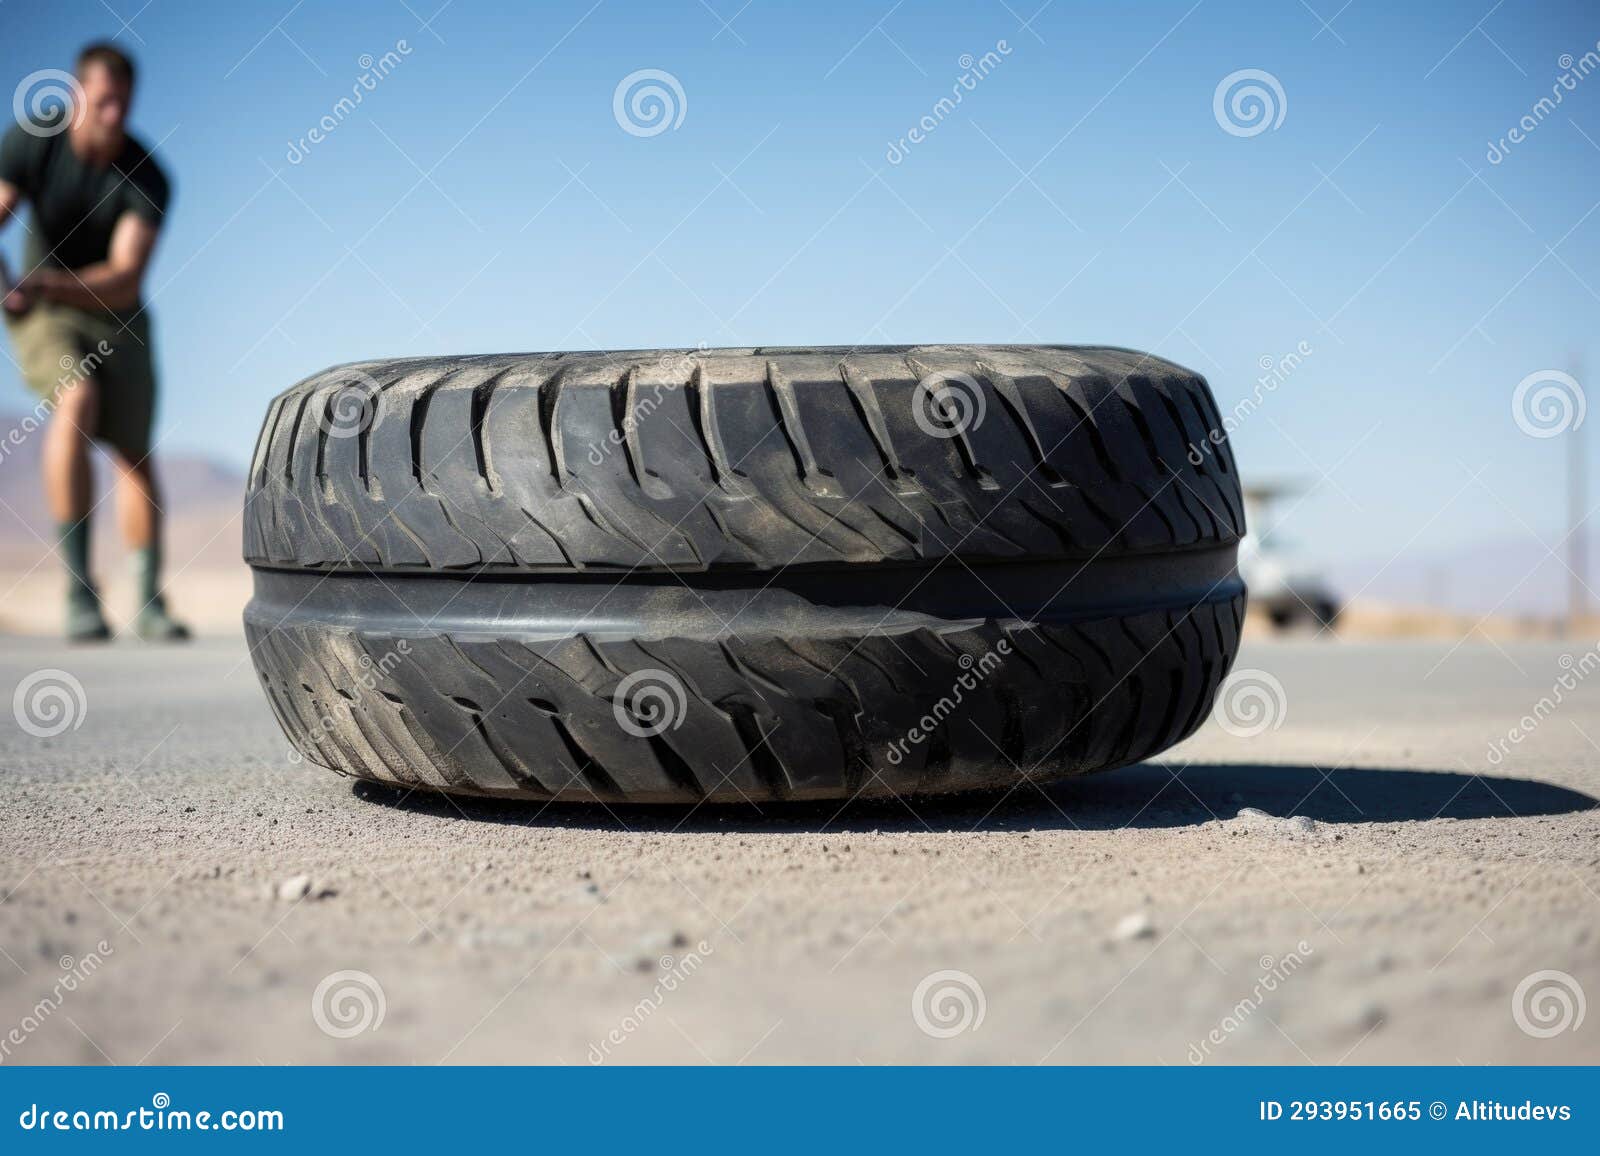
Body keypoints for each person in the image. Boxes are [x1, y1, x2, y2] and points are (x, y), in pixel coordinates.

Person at [0, 43, 187, 641]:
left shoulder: (148, 175)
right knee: (76, 401)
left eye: (123, 105)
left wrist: (46, 280)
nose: (114, 115)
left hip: (115, 312)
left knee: (134, 451)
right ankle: (80, 593)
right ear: (78, 96)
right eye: (103, 102)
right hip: (45, 312)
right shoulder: (36, 138)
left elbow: (126, 274)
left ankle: (149, 602)